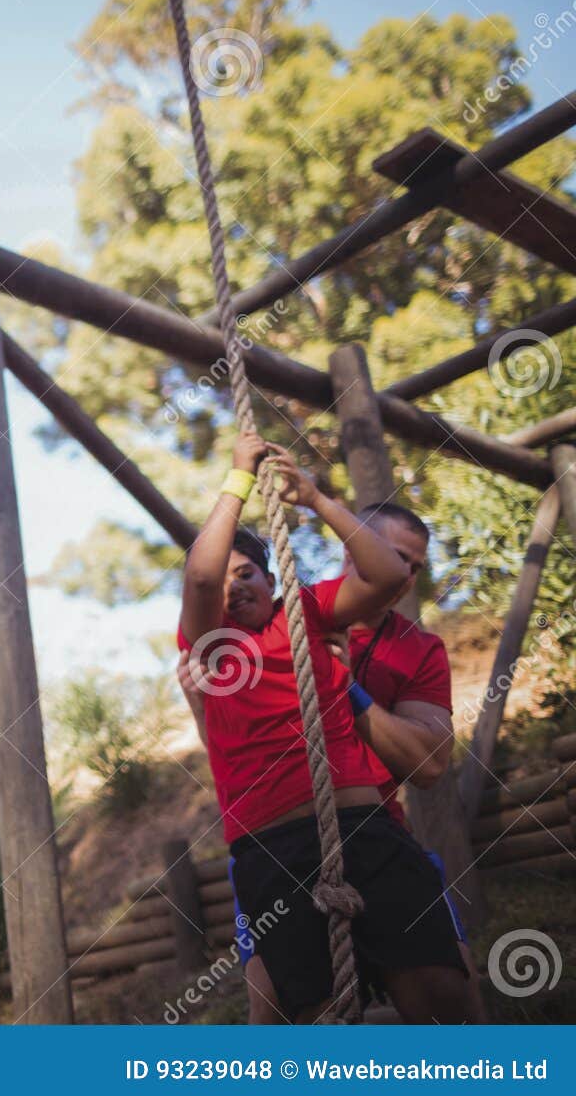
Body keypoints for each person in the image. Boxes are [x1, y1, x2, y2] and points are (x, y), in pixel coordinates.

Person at [178, 432, 470, 1023]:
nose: (235, 584)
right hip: (272, 846)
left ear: (272, 581)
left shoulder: (305, 614)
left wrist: (315, 499)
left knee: (440, 988)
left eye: (249, 574)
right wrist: (238, 479)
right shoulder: (212, 648)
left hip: (362, 823)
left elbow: (386, 577)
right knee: (304, 1010)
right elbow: (203, 581)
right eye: (226, 576)